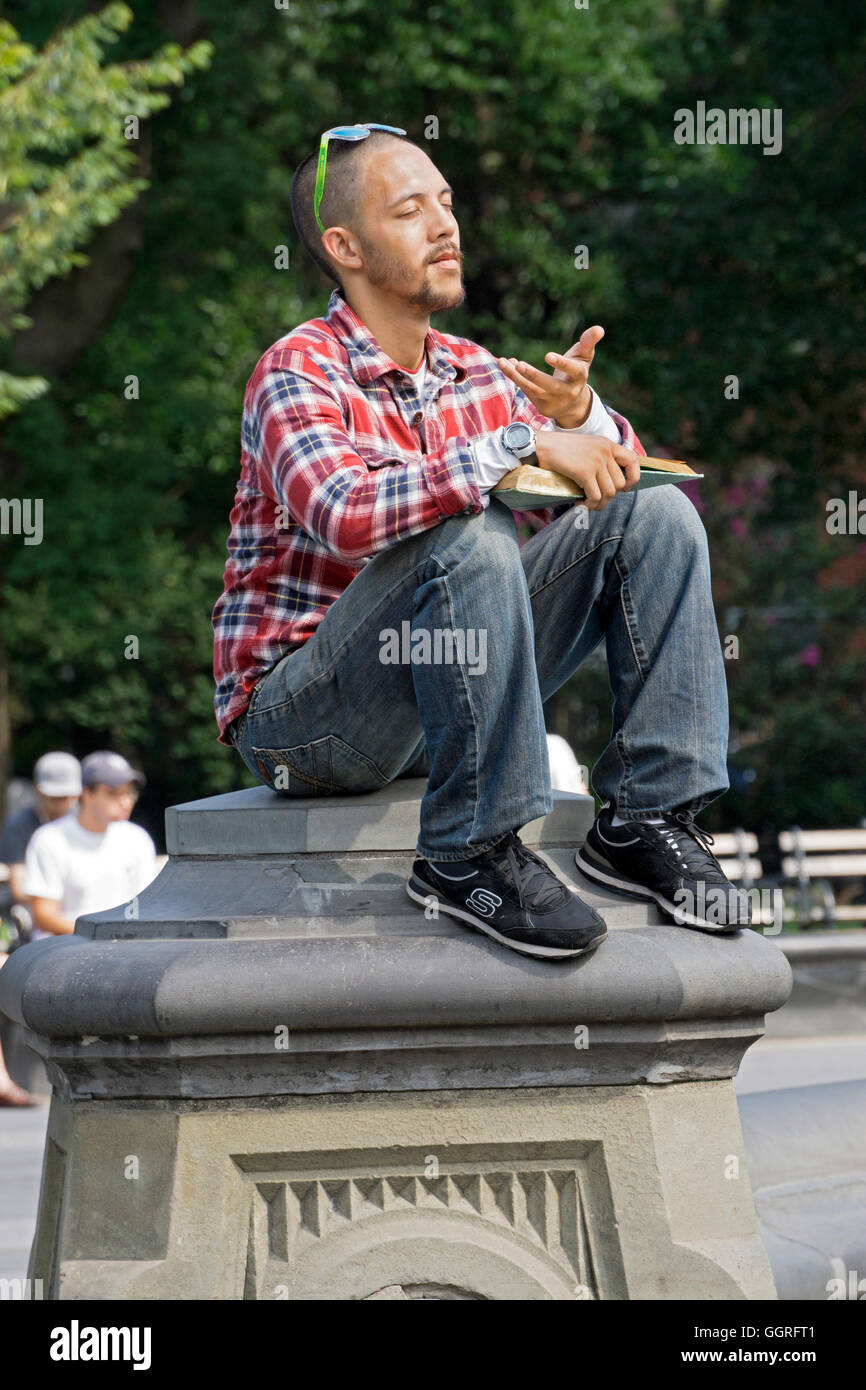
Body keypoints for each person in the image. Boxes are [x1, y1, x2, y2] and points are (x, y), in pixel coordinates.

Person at [212, 124, 750, 962]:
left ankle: (648, 817)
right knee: (466, 530)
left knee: (657, 515)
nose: (445, 225)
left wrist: (580, 420)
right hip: (307, 724)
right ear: (344, 246)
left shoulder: (474, 372)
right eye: (410, 209)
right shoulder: (298, 370)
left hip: (443, 694)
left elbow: (618, 478)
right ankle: (467, 853)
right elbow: (347, 514)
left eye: (448, 203)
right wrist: (519, 448)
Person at [0, 752, 82, 1106]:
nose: (60, 803)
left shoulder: (92, 827)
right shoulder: (24, 824)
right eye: (53, 795)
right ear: (38, 791)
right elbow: (23, 891)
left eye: (66, 795)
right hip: (34, 929)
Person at [23, 752, 157, 940]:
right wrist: (100, 935)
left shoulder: (138, 839)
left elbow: (148, 907)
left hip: (124, 949)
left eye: (129, 793)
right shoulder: (50, 838)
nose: (125, 801)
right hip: (63, 949)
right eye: (113, 793)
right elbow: (44, 916)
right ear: (86, 794)